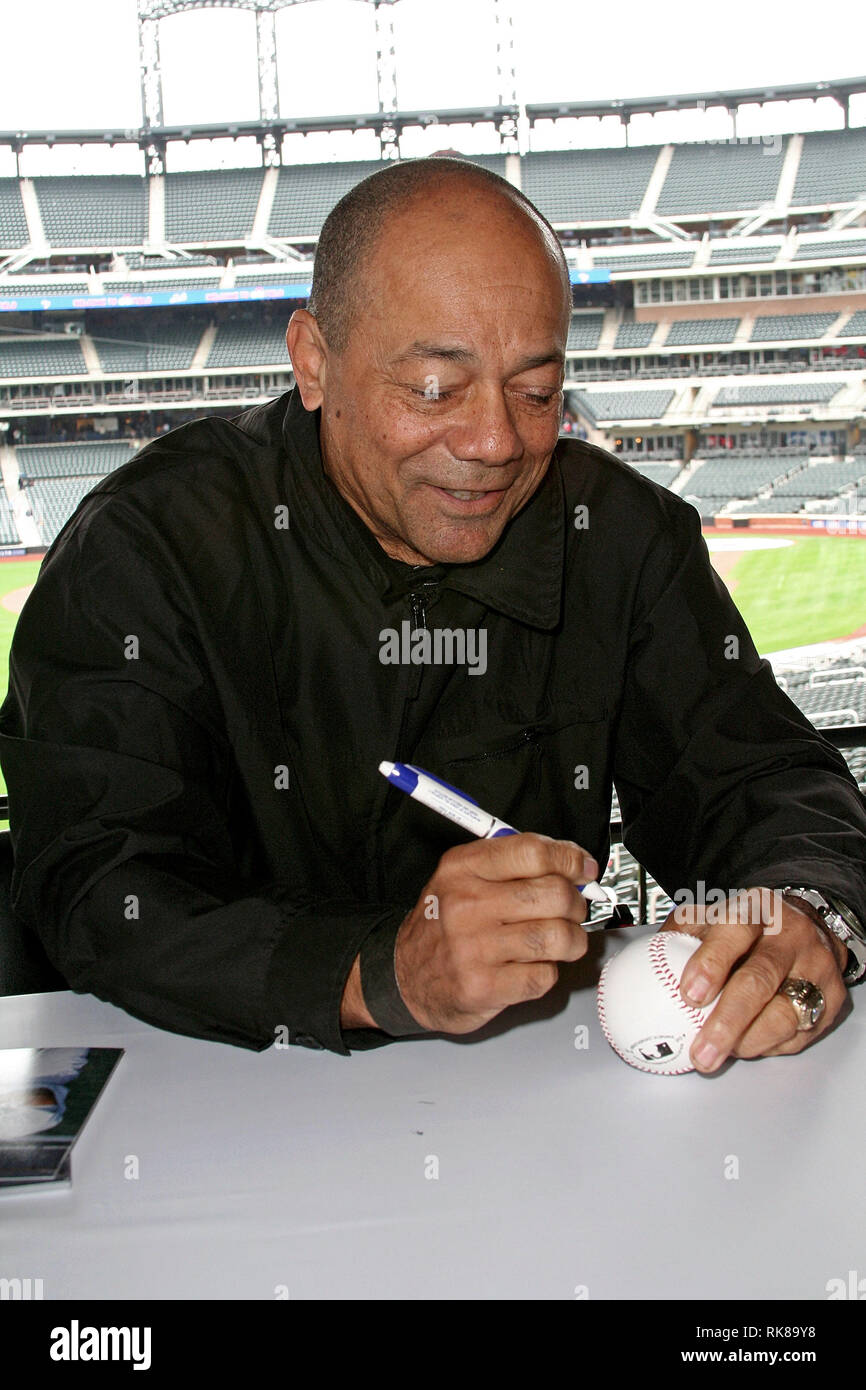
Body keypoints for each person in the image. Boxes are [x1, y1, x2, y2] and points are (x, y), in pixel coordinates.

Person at [1, 157, 864, 1071]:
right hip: (203, 1091)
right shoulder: (147, 547)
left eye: (536, 392)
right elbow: (95, 876)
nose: (496, 444)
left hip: (536, 1106)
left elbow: (757, 777)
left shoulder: (618, 534)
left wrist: (802, 908)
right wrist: (378, 973)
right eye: (434, 390)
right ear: (314, 361)